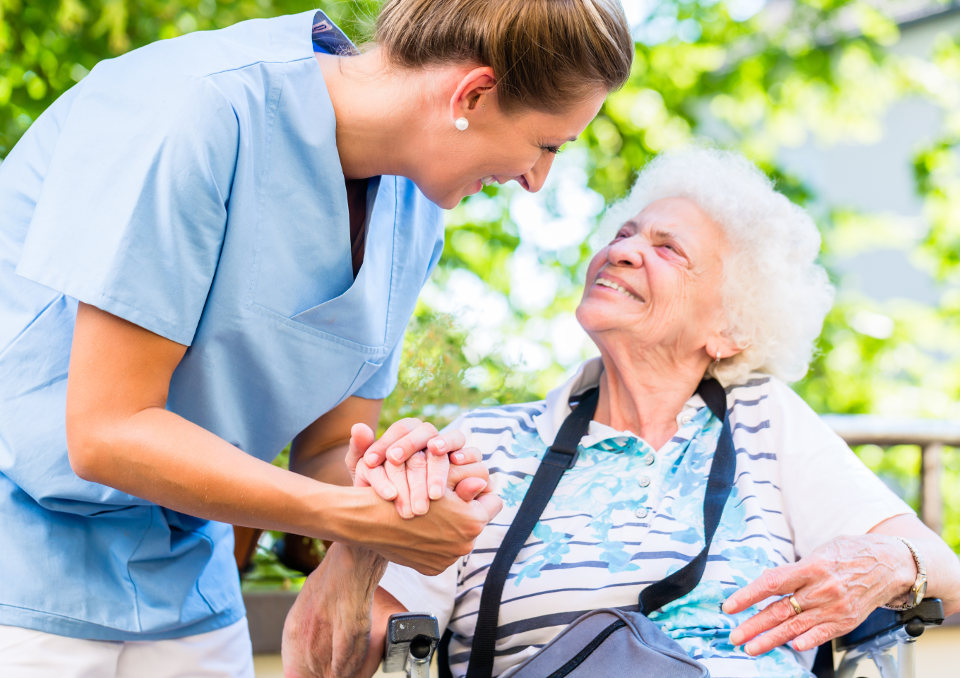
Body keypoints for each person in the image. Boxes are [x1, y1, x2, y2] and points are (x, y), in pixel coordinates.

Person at [0, 1, 634, 675]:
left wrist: (404, 485)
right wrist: (352, 517)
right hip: (23, 567)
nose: (538, 182)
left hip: (186, 587)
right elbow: (107, 431)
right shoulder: (195, 108)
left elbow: (329, 451)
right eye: (546, 146)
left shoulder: (414, 212)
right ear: (472, 94)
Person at [285, 148, 960, 678]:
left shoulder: (765, 421)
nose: (624, 249)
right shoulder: (482, 446)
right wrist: (362, 539)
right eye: (626, 233)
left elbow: (943, 572)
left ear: (728, 330)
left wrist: (885, 563)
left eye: (670, 250)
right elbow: (320, 668)